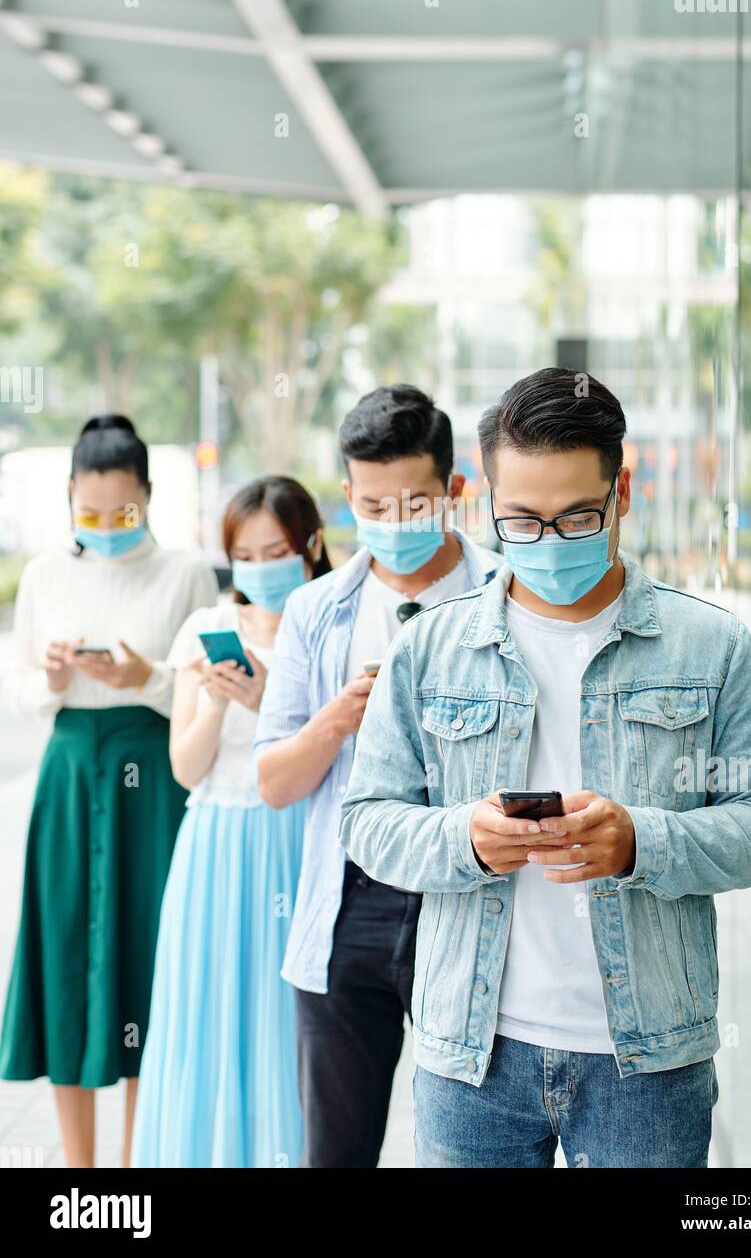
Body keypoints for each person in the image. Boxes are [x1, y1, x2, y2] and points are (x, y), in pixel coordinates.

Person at [339, 367, 751, 1169]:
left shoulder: (710, 645)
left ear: (623, 487)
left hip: (647, 1065)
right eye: (521, 521)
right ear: (487, 498)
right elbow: (367, 820)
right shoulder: (430, 646)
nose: (548, 545)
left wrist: (640, 843)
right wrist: (466, 840)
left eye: (577, 517)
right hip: (471, 1056)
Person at [255, 384, 501, 1168]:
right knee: (335, 1152)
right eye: (373, 505)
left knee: (467, 1147)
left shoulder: (507, 596)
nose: (394, 523)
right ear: (347, 498)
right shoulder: (317, 611)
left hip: (468, 900)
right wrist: (338, 718)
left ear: (454, 492)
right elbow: (275, 783)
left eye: (414, 503)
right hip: (343, 904)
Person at [0, 414, 218, 1167]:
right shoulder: (45, 574)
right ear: (68, 497)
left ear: (148, 498)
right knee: (63, 947)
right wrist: (54, 678)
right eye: (88, 513)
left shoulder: (187, 570)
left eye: (121, 513)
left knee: (146, 952)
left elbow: (200, 687)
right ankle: (79, 1170)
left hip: (151, 773)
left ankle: (137, 1163)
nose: (105, 527)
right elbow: (25, 688)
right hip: (68, 771)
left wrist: (144, 678)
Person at [131, 476, 328, 1168]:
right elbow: (186, 768)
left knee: (287, 1026)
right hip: (214, 844)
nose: (260, 567)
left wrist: (268, 695)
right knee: (205, 1016)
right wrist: (217, 702)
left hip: (297, 839)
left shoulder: (328, 625)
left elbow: (342, 751)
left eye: (274, 550)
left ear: (310, 546)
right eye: (244, 554)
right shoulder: (204, 632)